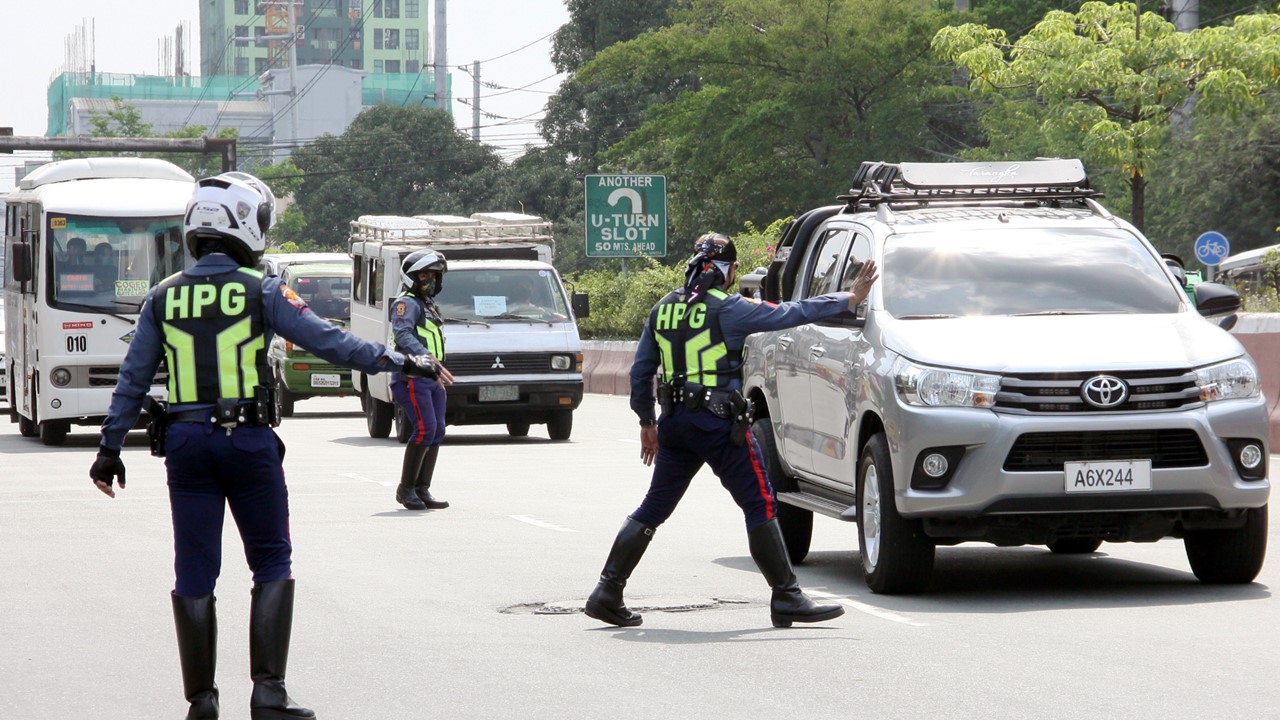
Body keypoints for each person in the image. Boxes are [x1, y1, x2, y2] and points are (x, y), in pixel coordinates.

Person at [88, 172, 440, 720]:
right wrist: (397, 358)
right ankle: (268, 694)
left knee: (194, 571)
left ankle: (201, 703)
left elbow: (133, 379)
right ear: (245, 223)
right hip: (247, 440)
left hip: (185, 444)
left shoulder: (161, 296)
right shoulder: (264, 289)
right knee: (271, 560)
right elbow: (332, 341)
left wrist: (109, 449)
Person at [585, 232, 879, 629]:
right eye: (735, 268)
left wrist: (646, 422)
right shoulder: (731, 309)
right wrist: (848, 299)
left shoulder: (663, 308)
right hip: (718, 426)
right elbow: (791, 313)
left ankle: (607, 591)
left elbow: (640, 373)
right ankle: (787, 596)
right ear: (726, 270)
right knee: (760, 503)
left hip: (675, 425)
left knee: (654, 508)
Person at [390, 249, 455, 510]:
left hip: (431, 377)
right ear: (411, 277)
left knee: (438, 430)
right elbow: (403, 335)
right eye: (424, 275)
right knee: (425, 429)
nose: (430, 280)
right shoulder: (406, 304)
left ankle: (422, 488)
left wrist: (436, 368)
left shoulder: (428, 305)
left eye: (434, 275)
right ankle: (405, 490)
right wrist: (428, 358)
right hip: (412, 376)